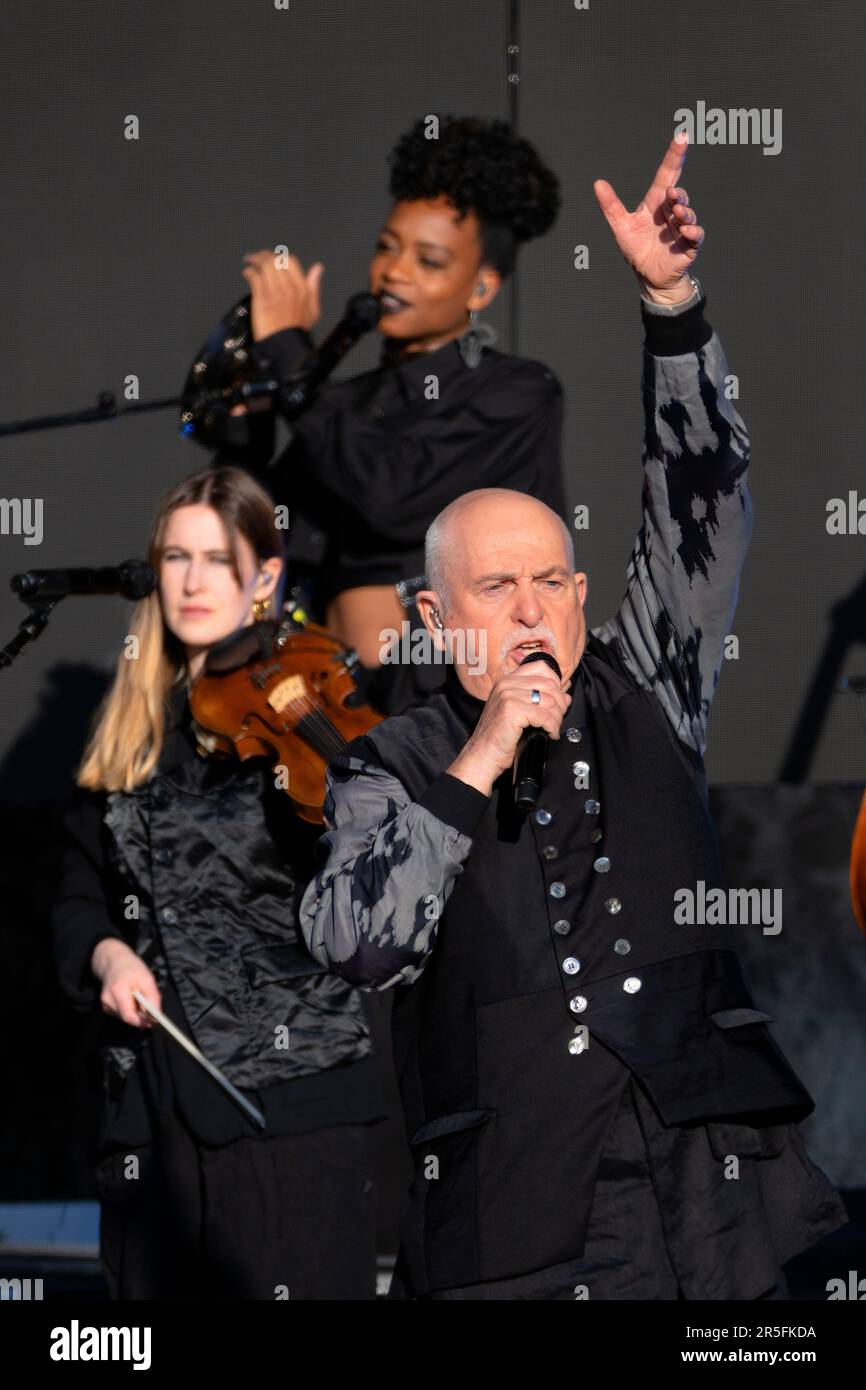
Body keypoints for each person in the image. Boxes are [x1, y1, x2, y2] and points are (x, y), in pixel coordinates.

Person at [297, 147, 850, 1298]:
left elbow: (700, 501)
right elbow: (356, 939)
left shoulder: (643, 677)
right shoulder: (390, 762)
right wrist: (483, 751)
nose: (532, 607)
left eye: (551, 580)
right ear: (437, 621)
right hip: (519, 1215)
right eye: (497, 591)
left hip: (709, 1190)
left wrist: (670, 307)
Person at [51, 465, 386, 1300]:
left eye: (217, 558)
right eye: (175, 558)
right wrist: (106, 956)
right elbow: (77, 889)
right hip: (149, 1102)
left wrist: (326, 770)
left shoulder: (313, 694)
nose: (193, 581)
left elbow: (376, 871)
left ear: (266, 577)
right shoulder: (131, 723)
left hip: (289, 1097)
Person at [222, 114, 568, 715]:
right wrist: (250, 405)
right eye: (387, 248)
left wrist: (290, 354)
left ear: (481, 288)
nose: (394, 271)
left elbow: (390, 492)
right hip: (308, 712)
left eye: (429, 261)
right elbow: (257, 526)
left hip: (431, 716)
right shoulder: (345, 400)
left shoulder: (516, 393)